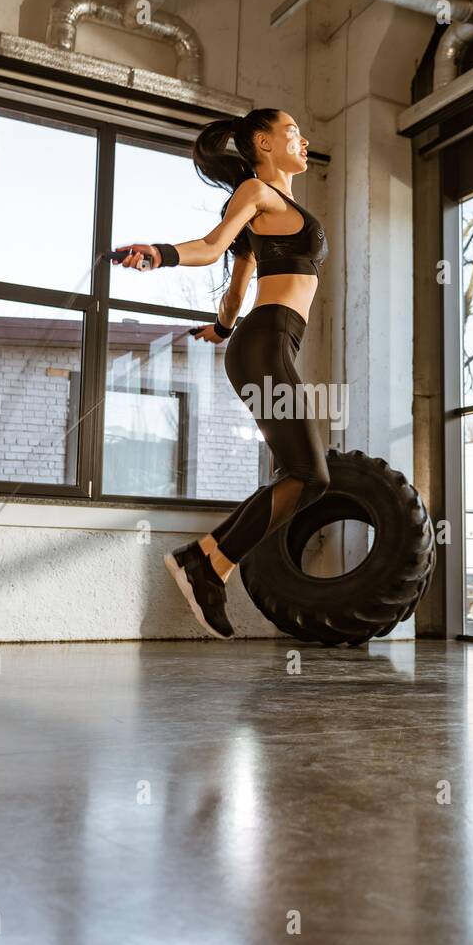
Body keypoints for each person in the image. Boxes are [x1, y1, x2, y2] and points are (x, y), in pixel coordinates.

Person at [112, 109, 329, 638]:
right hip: (269, 342)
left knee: (302, 474)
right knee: (310, 474)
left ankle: (208, 559)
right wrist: (159, 254)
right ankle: (207, 563)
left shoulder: (273, 209)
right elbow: (211, 248)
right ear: (263, 142)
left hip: (263, 342)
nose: (305, 141)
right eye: (293, 133)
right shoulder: (255, 192)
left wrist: (222, 329)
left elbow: (236, 288)